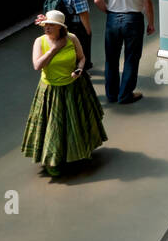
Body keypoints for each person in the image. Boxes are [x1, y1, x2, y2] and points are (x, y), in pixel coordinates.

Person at [21, 10, 106, 176]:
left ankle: (80, 152)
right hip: (52, 90)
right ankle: (53, 161)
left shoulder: (72, 38)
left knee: (77, 122)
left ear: (60, 28)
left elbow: (82, 58)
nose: (47, 28)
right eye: (46, 25)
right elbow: (37, 66)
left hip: (74, 87)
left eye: (51, 25)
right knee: (54, 128)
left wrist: (80, 69)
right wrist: (53, 50)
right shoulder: (39, 42)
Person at [93, 0, 155, 106]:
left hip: (113, 19)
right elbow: (147, 3)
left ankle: (111, 95)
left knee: (111, 58)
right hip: (133, 20)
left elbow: (97, 0)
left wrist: (109, 11)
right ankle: (125, 95)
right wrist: (151, 23)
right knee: (131, 58)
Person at [40, 0, 92, 72]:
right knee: (79, 50)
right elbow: (82, 12)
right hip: (74, 23)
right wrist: (88, 30)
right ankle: (80, 71)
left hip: (59, 20)